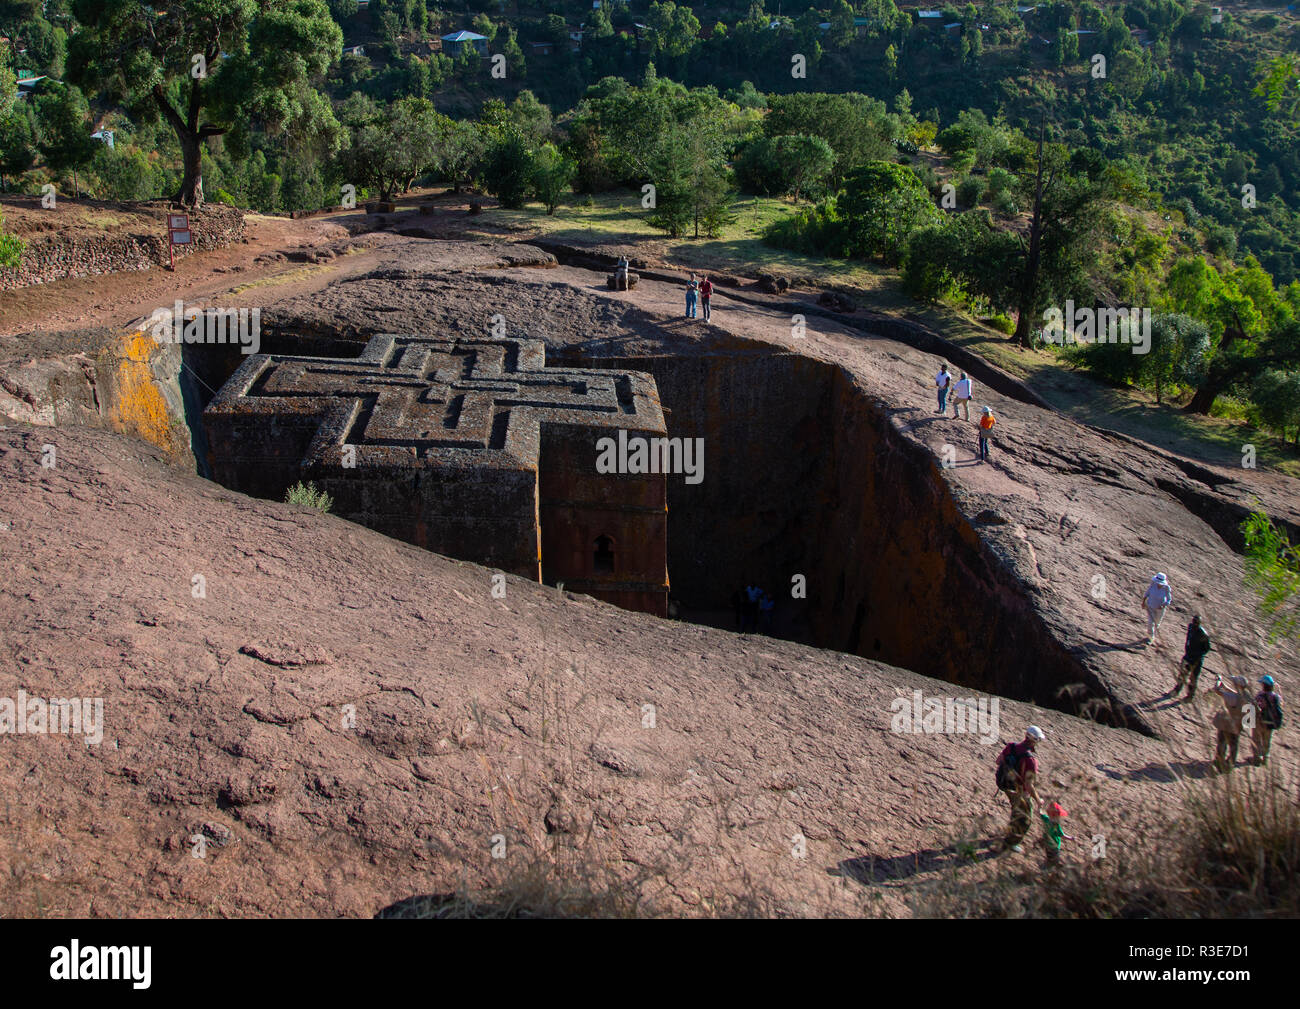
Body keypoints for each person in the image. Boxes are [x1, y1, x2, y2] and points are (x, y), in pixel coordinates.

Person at [996, 725, 1044, 852]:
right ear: (1035, 741)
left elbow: (998, 761)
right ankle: (1010, 843)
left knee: (1015, 810)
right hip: (1020, 791)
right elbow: (1029, 785)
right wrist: (1038, 800)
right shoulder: (1031, 761)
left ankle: (1010, 832)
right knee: (1025, 819)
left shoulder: (1011, 746)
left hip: (1006, 785)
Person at [1207, 673, 1248, 772]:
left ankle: (1219, 762)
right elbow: (1236, 694)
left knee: (1222, 742)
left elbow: (1217, 691)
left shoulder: (1232, 697)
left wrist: (1218, 681)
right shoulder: (1246, 697)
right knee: (1234, 746)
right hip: (1237, 726)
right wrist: (1225, 686)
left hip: (1227, 725)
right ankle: (1230, 764)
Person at [1175, 615, 1211, 699]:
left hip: (1196, 660)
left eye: (1196, 622)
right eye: (1193, 621)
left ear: (1199, 623)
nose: (1194, 623)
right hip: (1188, 655)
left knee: (1193, 678)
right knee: (1182, 674)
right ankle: (1177, 689)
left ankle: (1190, 695)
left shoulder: (1203, 634)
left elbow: (1207, 648)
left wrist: (1197, 656)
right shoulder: (1190, 627)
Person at [1251, 675, 1283, 766]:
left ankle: (1256, 759)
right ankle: (1265, 759)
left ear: (1264, 685)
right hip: (1270, 723)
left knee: (1256, 740)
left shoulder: (1260, 696)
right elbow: (1280, 706)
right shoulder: (1276, 697)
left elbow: (1254, 706)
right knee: (1267, 742)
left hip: (1259, 722)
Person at [1141, 572, 1173, 645]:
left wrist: (1164, 605)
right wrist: (1143, 602)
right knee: (1150, 623)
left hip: (1160, 609)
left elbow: (1169, 599)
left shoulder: (1166, 588)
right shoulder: (1153, 584)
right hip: (1150, 606)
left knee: (1157, 623)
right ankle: (1150, 638)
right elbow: (1147, 593)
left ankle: (1153, 635)